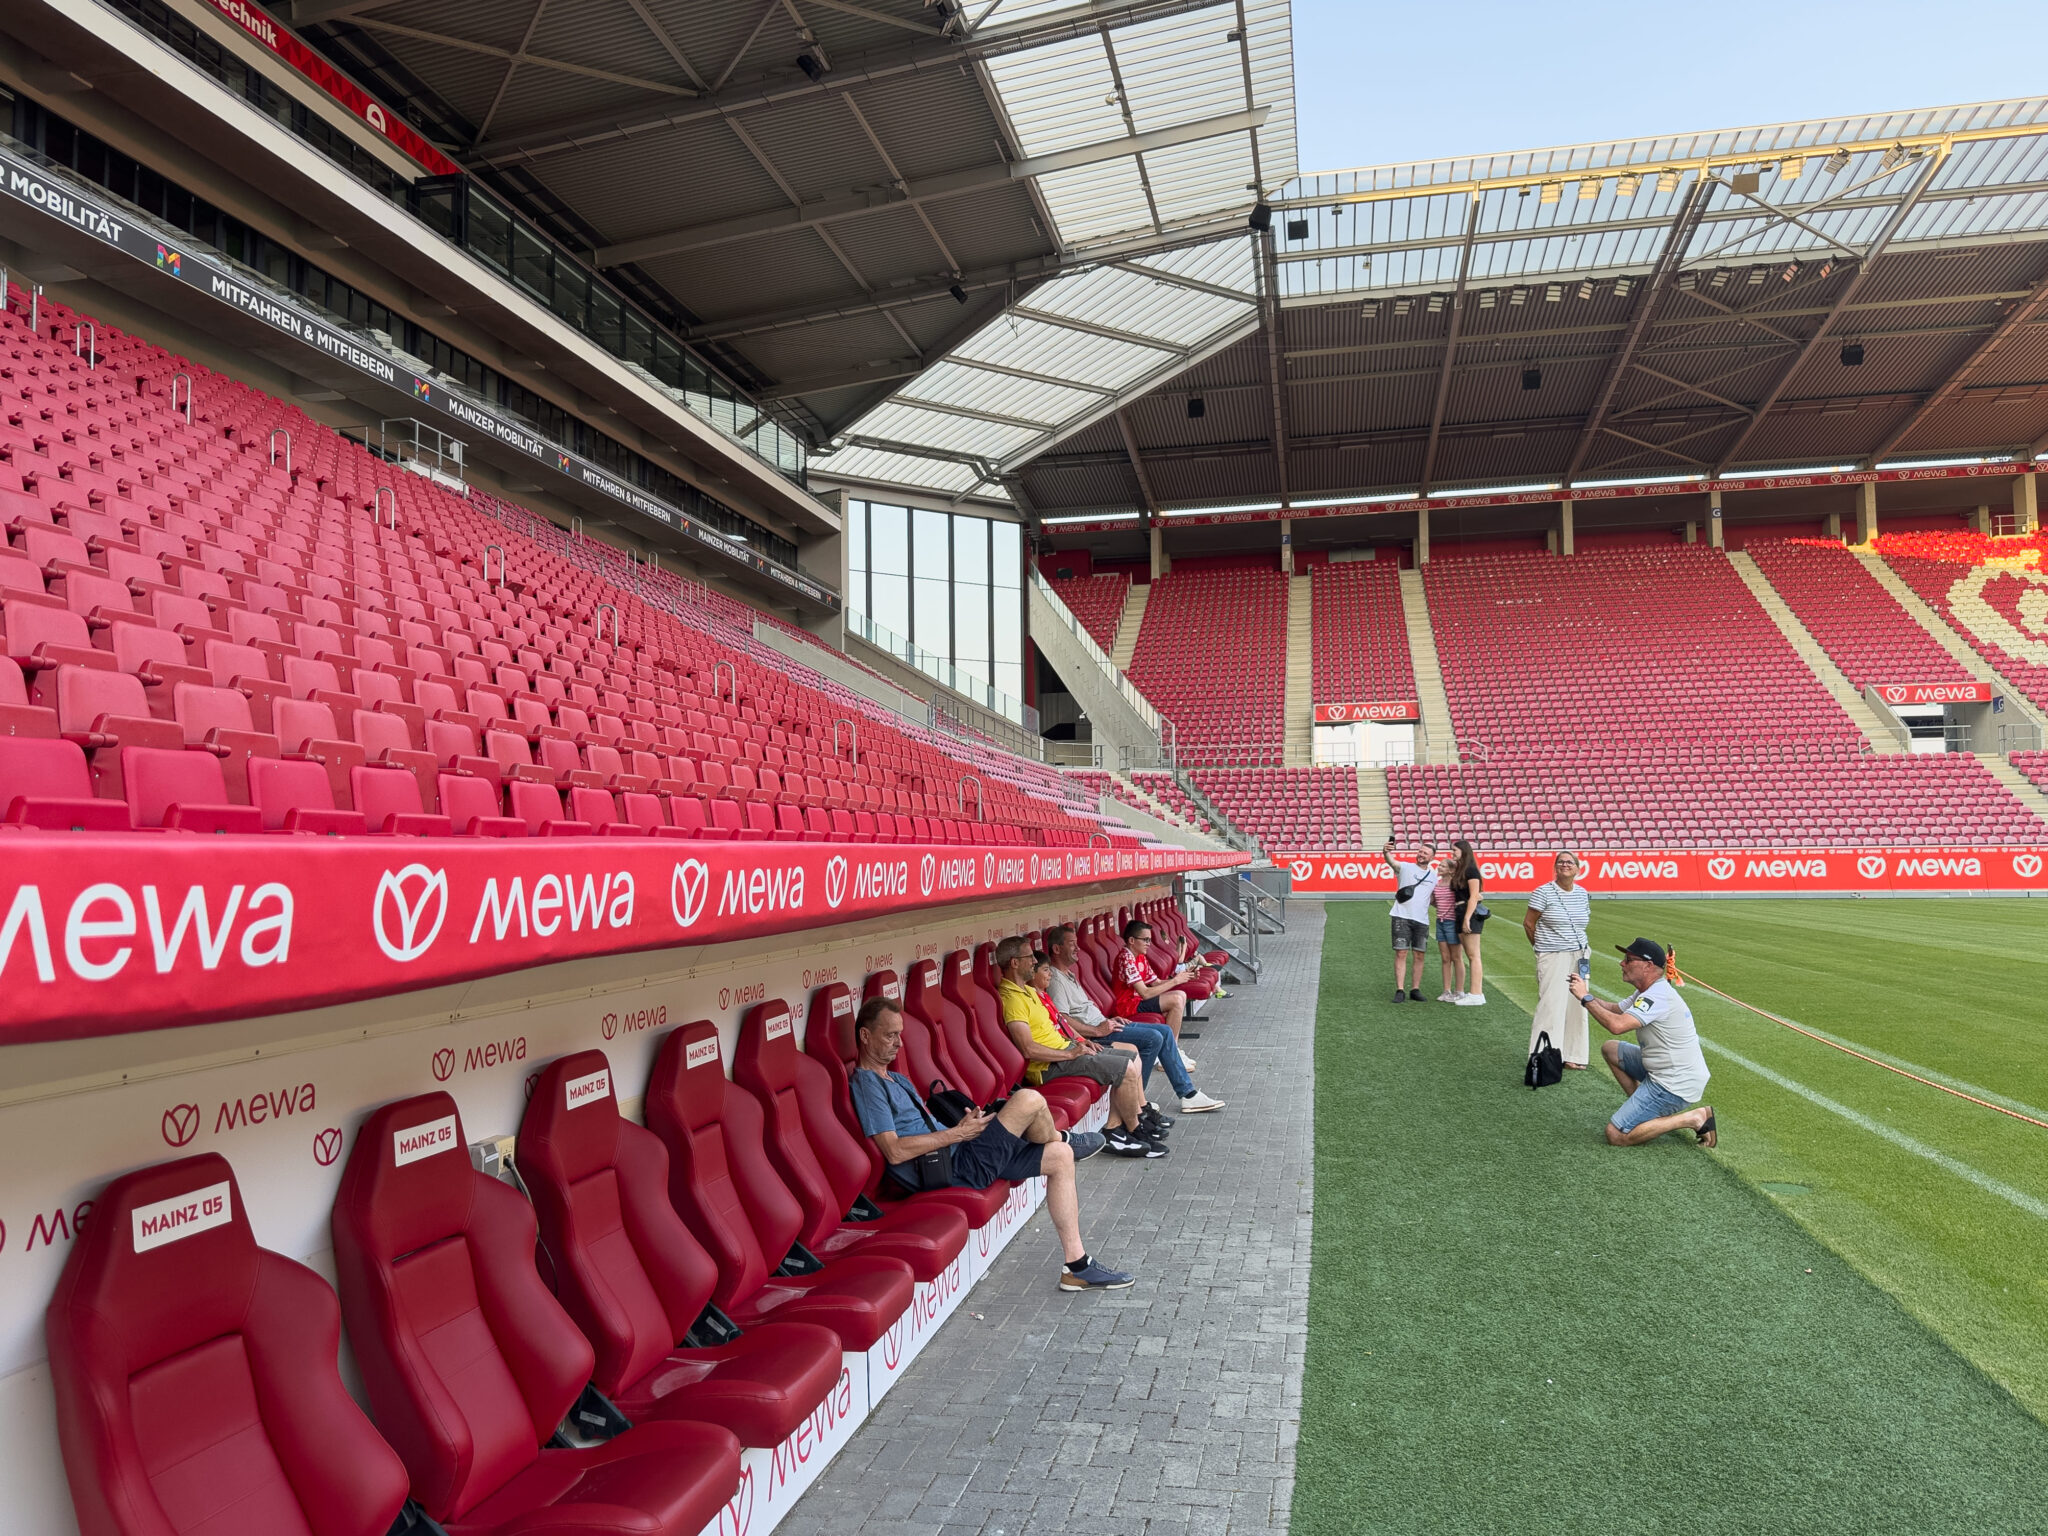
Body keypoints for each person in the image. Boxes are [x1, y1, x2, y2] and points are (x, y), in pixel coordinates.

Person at [848, 995, 1135, 1290]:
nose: (899, 1043)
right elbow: (894, 1151)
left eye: (900, 1034)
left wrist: (961, 1127)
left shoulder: (896, 1078)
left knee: (1060, 1157)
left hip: (960, 1148)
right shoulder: (867, 1085)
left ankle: (1077, 1267)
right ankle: (1064, 1136)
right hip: (952, 1168)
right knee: (1029, 1098)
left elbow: (923, 1128)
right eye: (890, 1035)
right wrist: (956, 1135)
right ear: (865, 1036)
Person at [995, 936, 1163, 1158]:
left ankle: (1114, 1129)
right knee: (1127, 1069)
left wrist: (1082, 1041)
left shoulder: (1028, 991)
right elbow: (1028, 1049)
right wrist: (1070, 1052)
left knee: (1130, 1058)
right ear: (1015, 963)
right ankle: (1135, 1130)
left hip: (1068, 1050)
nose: (1034, 962)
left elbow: (1059, 1022)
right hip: (1049, 1065)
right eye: (1029, 957)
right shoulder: (1012, 999)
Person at [1045, 924, 1225, 1117]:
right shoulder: (1055, 980)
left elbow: (1153, 983)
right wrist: (1096, 1031)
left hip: (1107, 1022)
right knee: (1154, 1037)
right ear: (1057, 949)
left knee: (1164, 1032)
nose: (1078, 948)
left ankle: (1187, 1094)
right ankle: (1141, 1100)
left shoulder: (1069, 974)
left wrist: (1107, 1020)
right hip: (1098, 1032)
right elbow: (1062, 1018)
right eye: (1072, 944)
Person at [1568, 938, 1716, 1148]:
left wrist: (1585, 998)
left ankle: (1693, 1118)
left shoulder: (1657, 996)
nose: (1622, 963)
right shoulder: (1646, 991)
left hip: (1673, 1085)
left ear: (1647, 966)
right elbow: (1614, 1009)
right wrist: (1584, 993)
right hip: (1665, 1071)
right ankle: (1644, 1114)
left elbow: (1617, 1025)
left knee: (1615, 1135)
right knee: (1611, 1049)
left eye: (1628, 959)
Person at [1523, 851, 1592, 1068]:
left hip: (1580, 954)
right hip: (1553, 955)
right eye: (1560, 862)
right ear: (1555, 867)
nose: (1565, 865)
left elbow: (1582, 922)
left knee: (1578, 1004)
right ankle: (1544, 1059)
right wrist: (1542, 948)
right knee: (1551, 1006)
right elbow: (1528, 923)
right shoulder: (1543, 892)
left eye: (1569, 862)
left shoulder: (1582, 893)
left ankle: (1573, 1055)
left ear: (1578, 868)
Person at [1111, 919, 1201, 1051]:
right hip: (1127, 1007)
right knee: (1176, 999)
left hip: (1138, 1002)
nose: (1149, 944)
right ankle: (1171, 1051)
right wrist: (1175, 981)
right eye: (1145, 940)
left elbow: (1156, 982)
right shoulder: (1126, 958)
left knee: (1180, 995)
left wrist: (1184, 977)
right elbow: (1145, 993)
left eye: (1150, 940)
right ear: (1131, 940)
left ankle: (1172, 1049)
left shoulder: (1140, 956)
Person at [1380, 837, 1438, 1002]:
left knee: (1419, 955)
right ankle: (1400, 989)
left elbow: (1433, 899)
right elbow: (1391, 862)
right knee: (1401, 952)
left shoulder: (1433, 877)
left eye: (1425, 853)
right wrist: (1386, 852)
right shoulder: (1405, 867)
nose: (1421, 855)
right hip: (1401, 916)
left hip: (1422, 920)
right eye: (1420, 851)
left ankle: (1415, 989)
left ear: (1432, 858)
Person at [1448, 839, 1488, 1006]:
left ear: (1463, 851)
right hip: (1460, 911)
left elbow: (1473, 896)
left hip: (1468, 912)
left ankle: (1476, 993)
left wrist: (1466, 918)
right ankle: (1473, 992)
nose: (1452, 853)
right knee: (1469, 955)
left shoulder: (1471, 870)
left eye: (1455, 850)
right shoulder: (1461, 870)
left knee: (1473, 955)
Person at [1430, 850, 1466, 1002]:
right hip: (1441, 922)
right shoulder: (1437, 884)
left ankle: (1460, 990)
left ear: (1451, 870)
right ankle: (1446, 990)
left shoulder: (1455, 885)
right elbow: (1433, 902)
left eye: (1443, 866)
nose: (1439, 867)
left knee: (1456, 957)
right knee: (1445, 958)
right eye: (1439, 865)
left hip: (1453, 922)